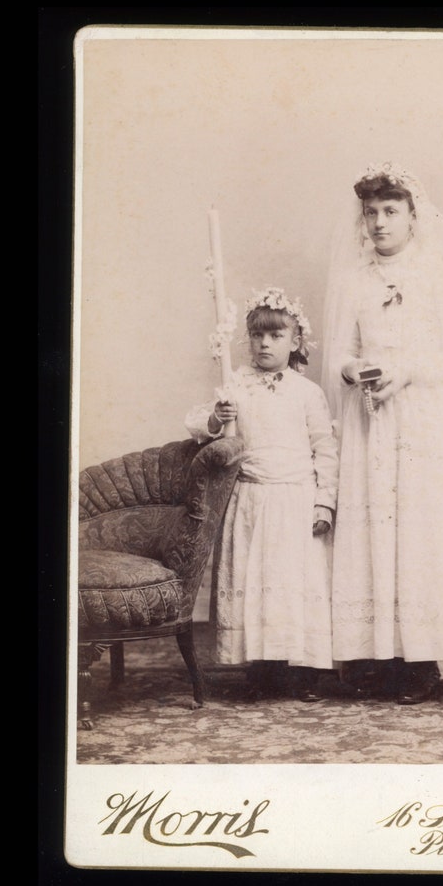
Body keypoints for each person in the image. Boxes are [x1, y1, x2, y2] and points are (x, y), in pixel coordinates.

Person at [320, 162, 443, 704]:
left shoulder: (438, 275)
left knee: (422, 530)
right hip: (370, 420)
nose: (379, 222)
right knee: (374, 528)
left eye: (390, 211)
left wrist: (408, 371)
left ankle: (422, 657)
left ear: (412, 216)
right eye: (371, 212)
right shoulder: (354, 280)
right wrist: (352, 369)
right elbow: (339, 351)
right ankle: (376, 654)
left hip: (426, 418)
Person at [187, 287, 337, 702]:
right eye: (257, 335)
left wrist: (324, 501)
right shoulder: (236, 386)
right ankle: (263, 667)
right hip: (250, 500)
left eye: (275, 335)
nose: (265, 344)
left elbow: (325, 449)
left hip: (295, 500)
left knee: (295, 581)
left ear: (296, 341)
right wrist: (217, 417)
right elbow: (197, 424)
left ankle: (304, 670)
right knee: (256, 582)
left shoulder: (307, 392)